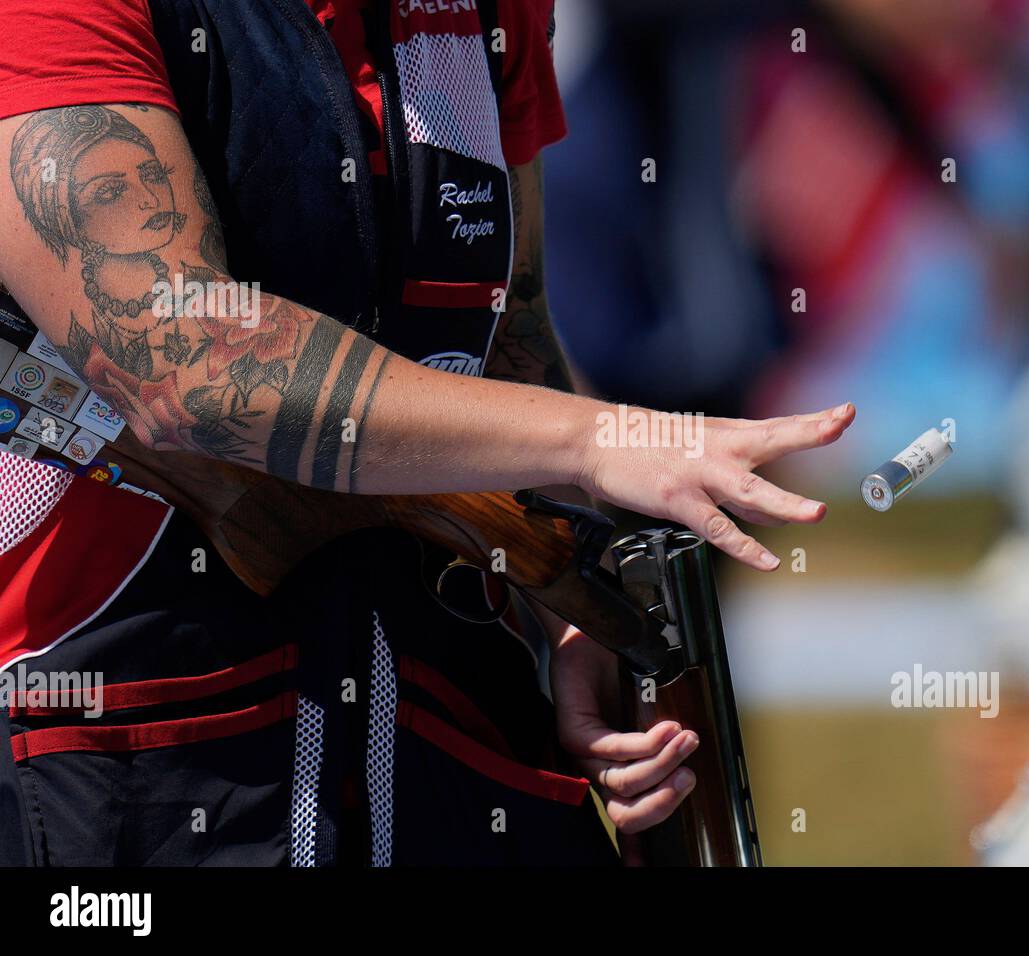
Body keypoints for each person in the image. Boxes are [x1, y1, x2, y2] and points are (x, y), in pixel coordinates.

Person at [0, 0, 853, 865]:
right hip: (130, 732)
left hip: (451, 710)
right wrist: (598, 440)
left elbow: (511, 330)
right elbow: (184, 360)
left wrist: (563, 593)